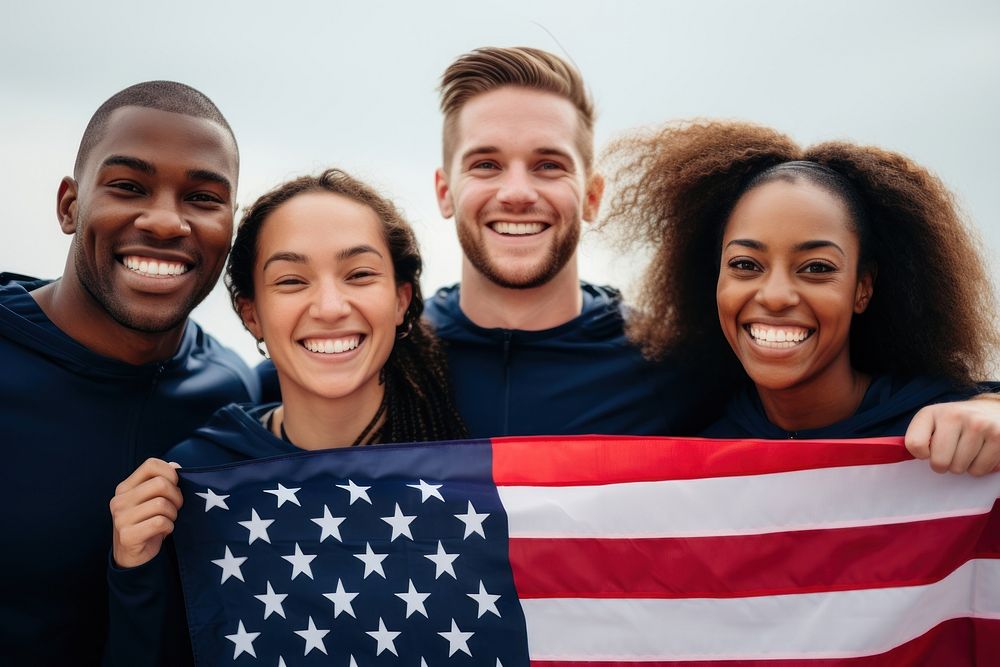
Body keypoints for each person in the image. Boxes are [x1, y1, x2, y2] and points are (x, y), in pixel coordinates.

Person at [106, 168, 468, 664]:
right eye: (291, 280)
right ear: (251, 313)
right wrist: (134, 567)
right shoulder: (200, 477)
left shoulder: (467, 462)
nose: (329, 306)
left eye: (360, 274)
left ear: (401, 299)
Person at [0, 81, 259, 665]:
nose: (166, 221)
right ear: (70, 205)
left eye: (202, 197)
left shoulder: (232, 391)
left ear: (231, 227)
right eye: (128, 186)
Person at [601, 120, 1000, 473]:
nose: (775, 296)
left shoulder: (959, 432)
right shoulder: (693, 459)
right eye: (745, 264)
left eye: (816, 268)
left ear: (863, 288)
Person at [422, 46, 719, 438]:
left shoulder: (678, 371)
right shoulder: (389, 362)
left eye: (548, 166)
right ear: (445, 192)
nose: (517, 193)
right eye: (486, 165)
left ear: (592, 197)